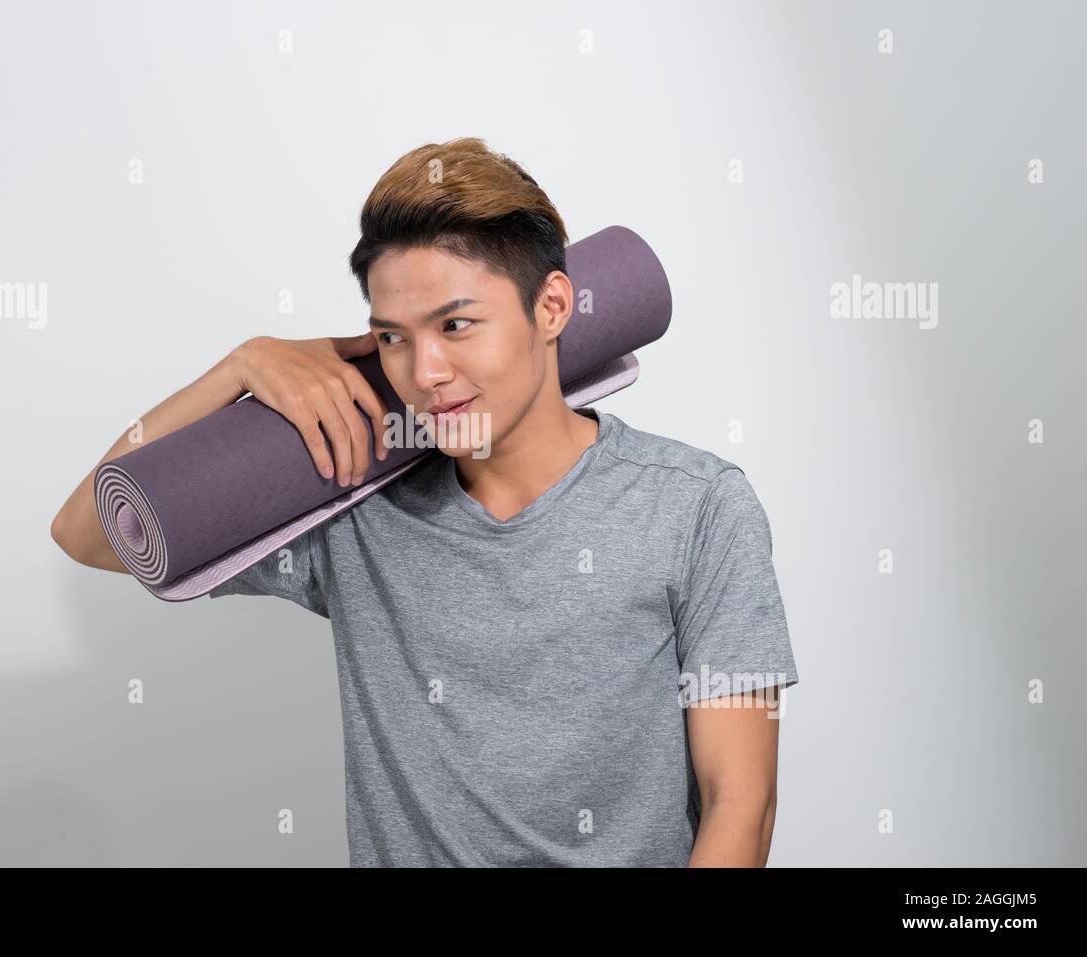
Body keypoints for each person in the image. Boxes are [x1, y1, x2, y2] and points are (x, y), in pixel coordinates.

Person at [51, 137, 799, 867]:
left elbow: (741, 801)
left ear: (552, 307)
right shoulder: (351, 507)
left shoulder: (698, 506)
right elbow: (87, 530)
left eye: (455, 324)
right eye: (393, 337)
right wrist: (241, 366)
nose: (426, 371)